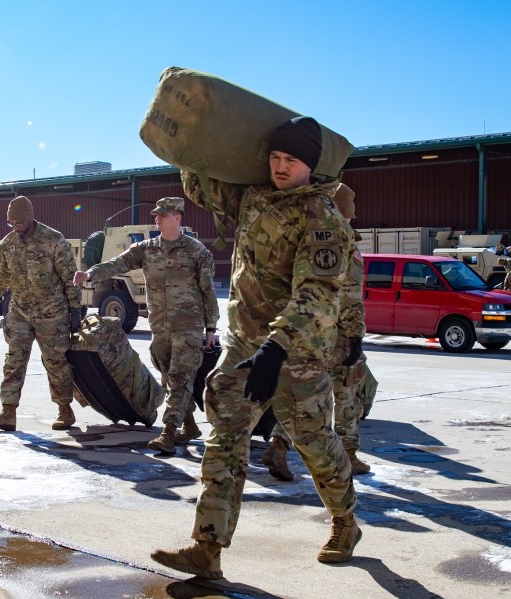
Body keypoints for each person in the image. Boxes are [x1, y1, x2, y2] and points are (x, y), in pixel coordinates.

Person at [150, 116, 360, 579]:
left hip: (296, 354)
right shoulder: (253, 196)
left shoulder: (322, 218)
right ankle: (207, 549)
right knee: (224, 441)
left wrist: (278, 348)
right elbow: (201, 185)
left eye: (292, 160)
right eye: (276, 157)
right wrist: (189, 141)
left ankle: (345, 520)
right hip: (244, 346)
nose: (281, 167)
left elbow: (316, 293)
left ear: (310, 165)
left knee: (313, 444)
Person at [73, 197, 219, 453]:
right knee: (169, 378)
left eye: (163, 214)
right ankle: (190, 425)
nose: (158, 218)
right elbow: (117, 263)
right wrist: (91, 274)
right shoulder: (147, 249)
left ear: (177, 217)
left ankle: (169, 433)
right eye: (157, 214)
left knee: (180, 378)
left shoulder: (197, 252)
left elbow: (208, 292)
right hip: (160, 326)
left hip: (189, 326)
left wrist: (210, 329)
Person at [261, 183, 370, 479]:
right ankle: (348, 454)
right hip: (336, 336)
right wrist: (355, 338)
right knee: (347, 393)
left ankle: (278, 444)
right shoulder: (343, 243)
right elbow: (350, 299)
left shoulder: (306, 240)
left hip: (307, 335)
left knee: (306, 398)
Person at [0, 195, 82, 432]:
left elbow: (70, 278)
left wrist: (75, 310)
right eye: (11, 223)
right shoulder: (8, 244)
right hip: (20, 313)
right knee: (13, 362)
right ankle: (8, 413)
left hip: (52, 315)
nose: (15, 227)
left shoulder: (53, 240)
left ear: (30, 218)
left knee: (56, 363)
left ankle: (65, 411)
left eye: (19, 223)